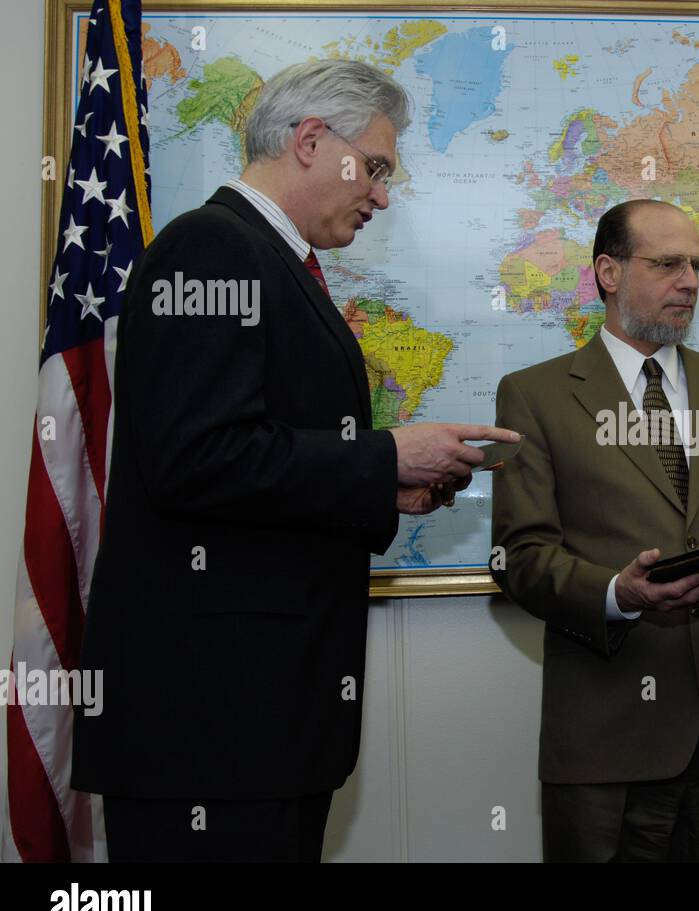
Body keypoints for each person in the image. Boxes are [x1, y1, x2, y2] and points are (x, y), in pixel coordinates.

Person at [71, 59, 518, 862]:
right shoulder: (209, 248)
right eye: (375, 167)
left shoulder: (267, 258)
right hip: (210, 728)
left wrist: (389, 487)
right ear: (311, 140)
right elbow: (196, 460)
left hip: (256, 723)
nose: (382, 194)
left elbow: (254, 457)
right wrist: (383, 455)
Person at [492, 198, 699, 862]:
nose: (689, 280)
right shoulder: (536, 395)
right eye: (667, 264)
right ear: (607, 271)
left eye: (696, 264)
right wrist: (617, 592)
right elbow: (519, 556)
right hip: (608, 748)